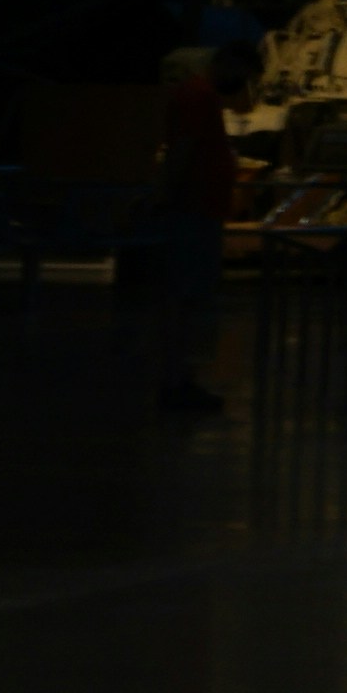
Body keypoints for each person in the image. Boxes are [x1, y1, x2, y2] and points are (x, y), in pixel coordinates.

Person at [139, 44, 240, 417]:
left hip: (195, 207)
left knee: (183, 299)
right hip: (196, 210)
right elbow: (185, 148)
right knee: (186, 299)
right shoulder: (198, 96)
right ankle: (178, 381)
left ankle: (178, 378)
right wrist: (166, 192)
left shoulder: (191, 96)